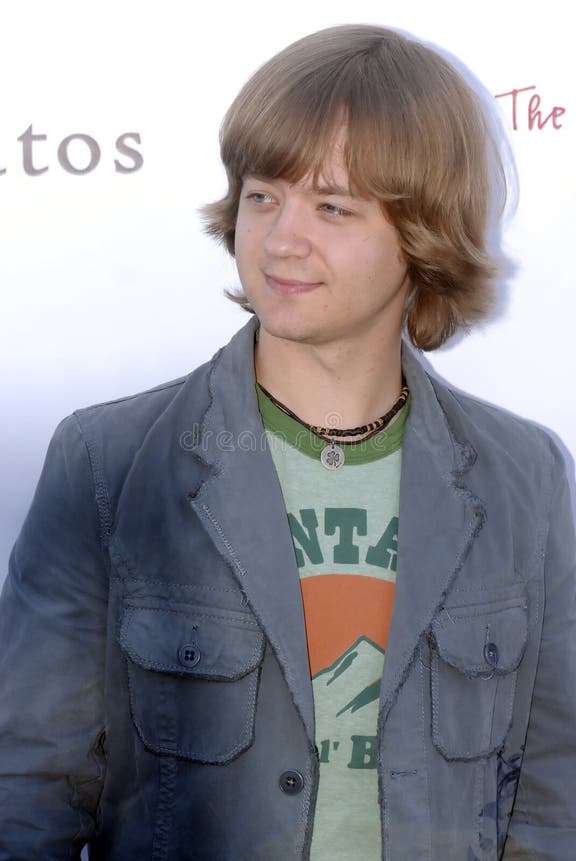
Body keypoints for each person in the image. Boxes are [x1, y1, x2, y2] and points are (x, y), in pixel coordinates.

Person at [0, 23, 575, 861]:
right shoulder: (109, 464)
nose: (278, 241)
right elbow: (27, 793)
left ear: (422, 231)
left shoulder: (528, 477)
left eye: (332, 206)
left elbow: (556, 795)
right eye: (263, 196)